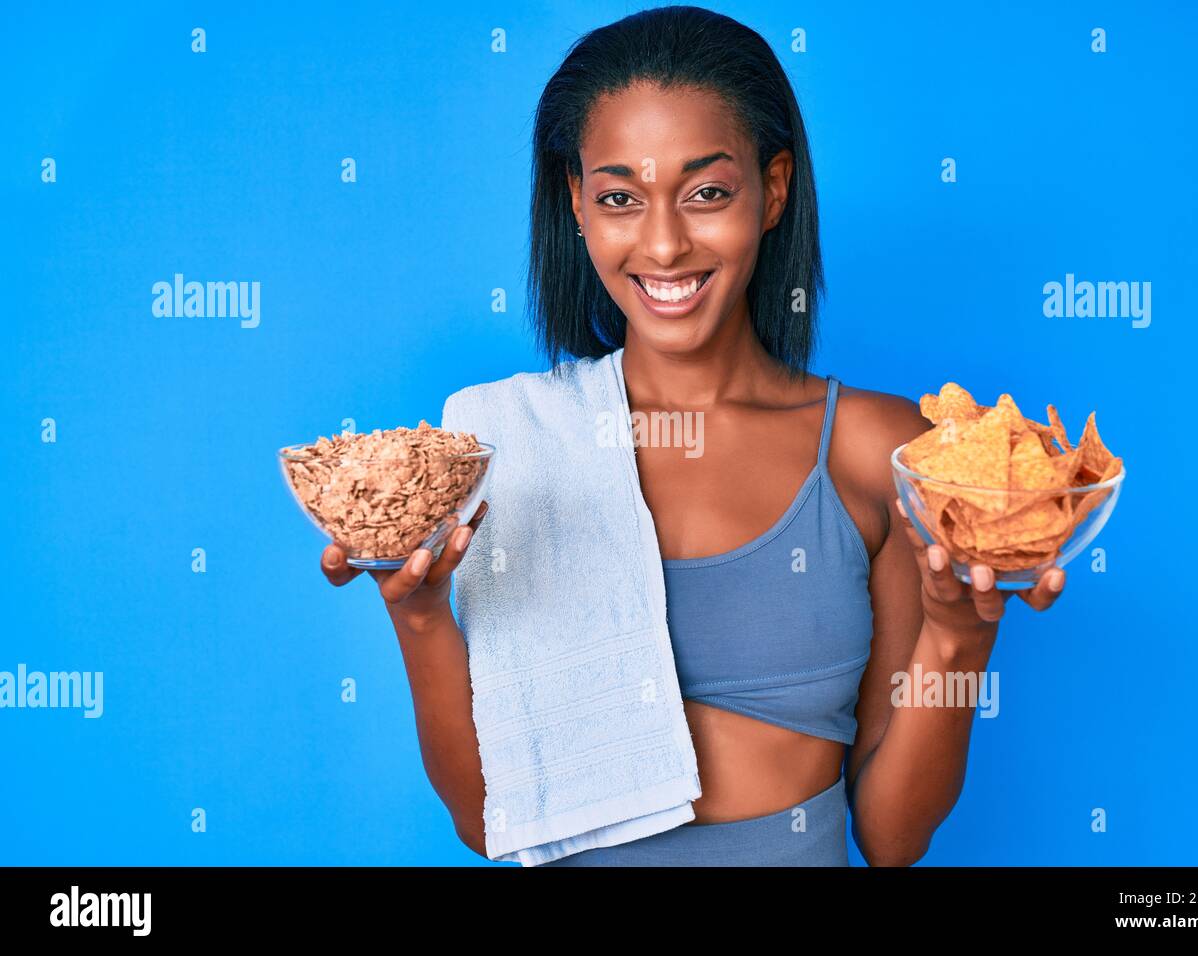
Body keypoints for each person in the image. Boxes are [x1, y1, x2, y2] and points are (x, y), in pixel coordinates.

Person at [318, 5, 1067, 866]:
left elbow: (894, 838)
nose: (665, 243)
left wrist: (960, 636)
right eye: (620, 199)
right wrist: (416, 617)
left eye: (707, 192)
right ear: (578, 204)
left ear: (773, 188)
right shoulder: (505, 451)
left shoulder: (878, 452)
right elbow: (488, 823)